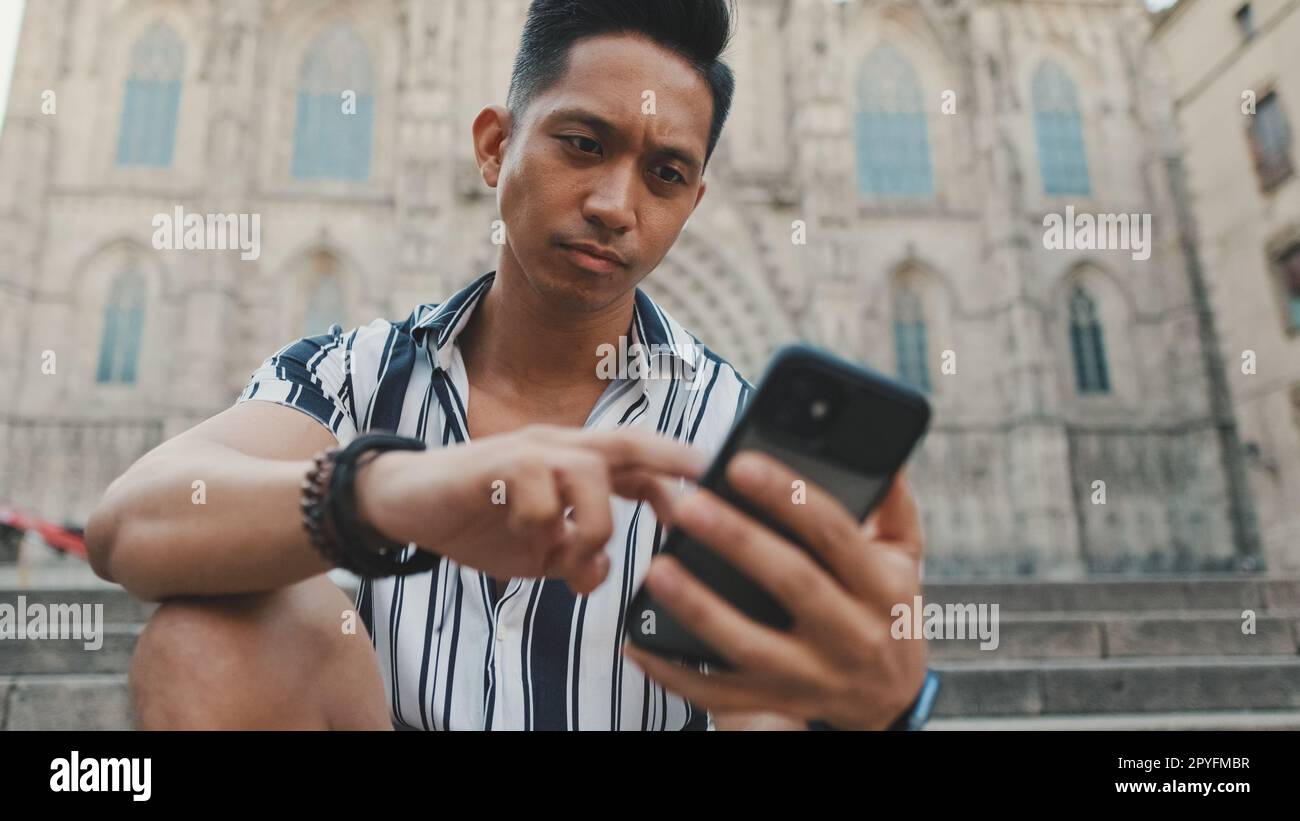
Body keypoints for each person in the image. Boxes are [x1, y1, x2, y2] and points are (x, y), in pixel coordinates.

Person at [85, 0, 930, 731]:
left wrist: (877, 710)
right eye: (582, 143)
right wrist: (390, 491)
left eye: (665, 174)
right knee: (217, 627)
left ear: (693, 204)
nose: (613, 206)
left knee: (768, 671)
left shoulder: (733, 439)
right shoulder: (350, 378)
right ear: (494, 147)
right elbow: (129, 526)